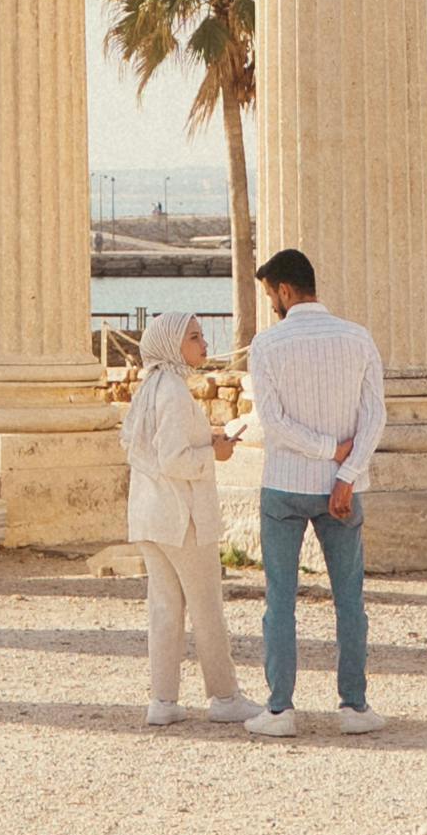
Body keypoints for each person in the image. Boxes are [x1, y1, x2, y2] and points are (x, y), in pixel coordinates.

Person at [244, 245, 382, 731]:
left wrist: (327, 450)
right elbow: (374, 418)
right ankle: (354, 707)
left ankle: (280, 708)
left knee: (280, 598)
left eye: (270, 295)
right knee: (349, 598)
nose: (271, 306)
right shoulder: (358, 338)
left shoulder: (266, 345)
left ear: (284, 290)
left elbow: (274, 424)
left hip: (283, 485)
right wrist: (345, 472)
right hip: (341, 491)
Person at [120, 314, 242, 726]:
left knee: (165, 607)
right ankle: (224, 697)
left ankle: (163, 701)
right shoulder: (172, 390)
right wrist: (215, 455)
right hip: (181, 518)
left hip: (151, 517)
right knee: (207, 606)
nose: (203, 343)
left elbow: (159, 448)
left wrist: (207, 439)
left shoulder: (153, 386)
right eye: (194, 337)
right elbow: (173, 459)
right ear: (172, 344)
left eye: (202, 335)